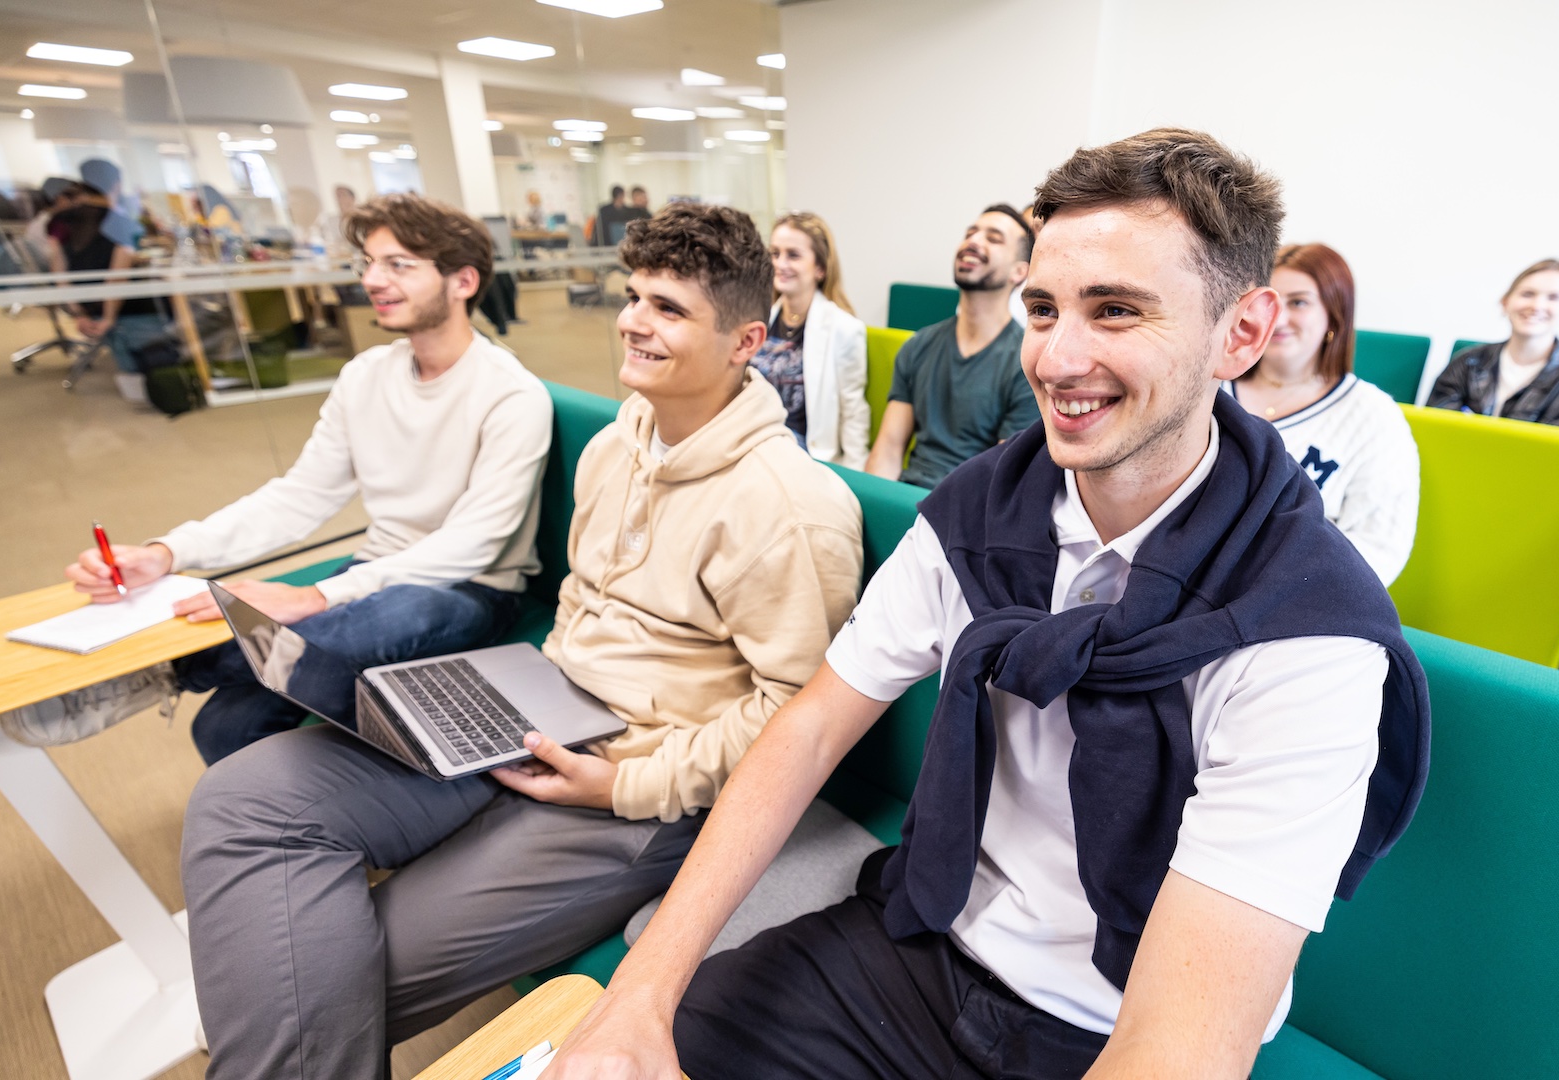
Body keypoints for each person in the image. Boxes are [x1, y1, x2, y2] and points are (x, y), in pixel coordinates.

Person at [542, 127, 1430, 1080]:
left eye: (1118, 310)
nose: (1055, 358)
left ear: (1241, 334)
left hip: (1106, 1021)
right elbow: (806, 732)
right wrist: (639, 999)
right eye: (1042, 309)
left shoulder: (1309, 630)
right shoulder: (982, 510)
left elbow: (1177, 1048)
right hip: (918, 941)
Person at [176, 201, 864, 1080]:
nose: (633, 322)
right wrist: (496, 693)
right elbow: (580, 599)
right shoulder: (619, 445)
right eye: (633, 296)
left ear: (744, 341)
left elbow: (797, 722)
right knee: (243, 797)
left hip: (640, 781)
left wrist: (624, 784)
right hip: (534, 706)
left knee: (326, 976)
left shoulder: (792, 508)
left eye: (669, 308)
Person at [65, 194, 552, 764]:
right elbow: (299, 498)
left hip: (471, 588)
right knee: (222, 730)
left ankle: (158, 672)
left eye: (398, 265)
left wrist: (317, 595)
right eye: (368, 263)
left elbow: (475, 544)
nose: (372, 279)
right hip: (375, 573)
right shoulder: (366, 375)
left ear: (463, 281)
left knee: (370, 623)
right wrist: (168, 552)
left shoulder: (512, 396)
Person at [1227, 243, 1419, 584]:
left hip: (1295, 601)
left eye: (1298, 302)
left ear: (1334, 314)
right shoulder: (1210, 386)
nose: (1278, 317)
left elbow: (1379, 551)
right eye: (1266, 300)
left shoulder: (1374, 418)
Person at [865, 204, 1040, 488]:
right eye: (971, 232)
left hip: (967, 509)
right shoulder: (919, 345)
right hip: (906, 497)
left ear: (1019, 272)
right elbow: (888, 451)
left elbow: (1003, 480)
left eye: (993, 238)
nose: (973, 241)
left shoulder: (1024, 361)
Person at [1424, 259, 1559, 429]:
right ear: (1505, 302)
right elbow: (1436, 426)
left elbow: (1558, 452)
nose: (1536, 305)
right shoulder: (1467, 362)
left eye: (1553, 297)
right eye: (1527, 294)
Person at [754, 211, 869, 466]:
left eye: (793, 255)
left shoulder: (844, 329)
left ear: (820, 268)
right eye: (775, 253)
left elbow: (853, 413)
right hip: (753, 443)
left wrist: (857, 480)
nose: (780, 264)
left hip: (802, 455)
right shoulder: (759, 317)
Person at [46, 182, 174, 405]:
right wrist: (108, 317)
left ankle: (141, 383)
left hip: (93, 307)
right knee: (176, 302)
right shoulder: (118, 224)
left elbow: (61, 279)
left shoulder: (60, 227)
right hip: (125, 308)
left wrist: (80, 314)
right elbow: (117, 279)